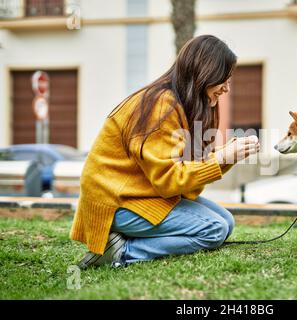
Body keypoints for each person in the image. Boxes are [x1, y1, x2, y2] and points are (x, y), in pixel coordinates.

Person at [70, 35, 260, 268]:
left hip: (145, 195)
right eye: (224, 80)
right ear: (205, 72)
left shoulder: (184, 105)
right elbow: (168, 180)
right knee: (214, 229)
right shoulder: (161, 105)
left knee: (226, 222)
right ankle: (119, 251)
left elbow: (187, 182)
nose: (227, 89)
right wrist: (221, 157)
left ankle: (129, 240)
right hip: (118, 203)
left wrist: (227, 156)